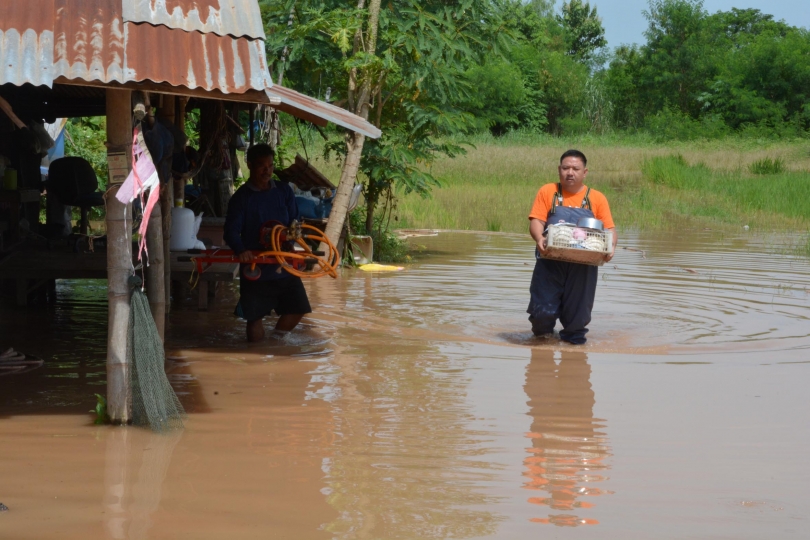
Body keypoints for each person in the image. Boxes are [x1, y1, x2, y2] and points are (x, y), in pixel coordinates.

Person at [527, 149, 617, 344]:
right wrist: (538, 239)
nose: (570, 172)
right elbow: (536, 221)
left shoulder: (597, 198)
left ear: (584, 172)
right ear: (559, 170)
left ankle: (574, 356)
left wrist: (611, 248)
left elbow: (609, 229)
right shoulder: (548, 191)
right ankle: (542, 350)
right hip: (549, 261)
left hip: (584, 267)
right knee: (541, 313)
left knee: (577, 321)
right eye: (566, 168)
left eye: (575, 168)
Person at [223, 143, 312, 342]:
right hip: (256, 265)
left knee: (298, 308)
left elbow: (295, 224)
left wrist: (296, 247)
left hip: (284, 261)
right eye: (262, 166)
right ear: (250, 165)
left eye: (271, 166)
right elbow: (230, 232)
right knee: (254, 317)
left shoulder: (283, 191)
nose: (267, 170)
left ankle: (274, 342)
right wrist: (241, 250)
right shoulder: (241, 198)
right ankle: (256, 355)